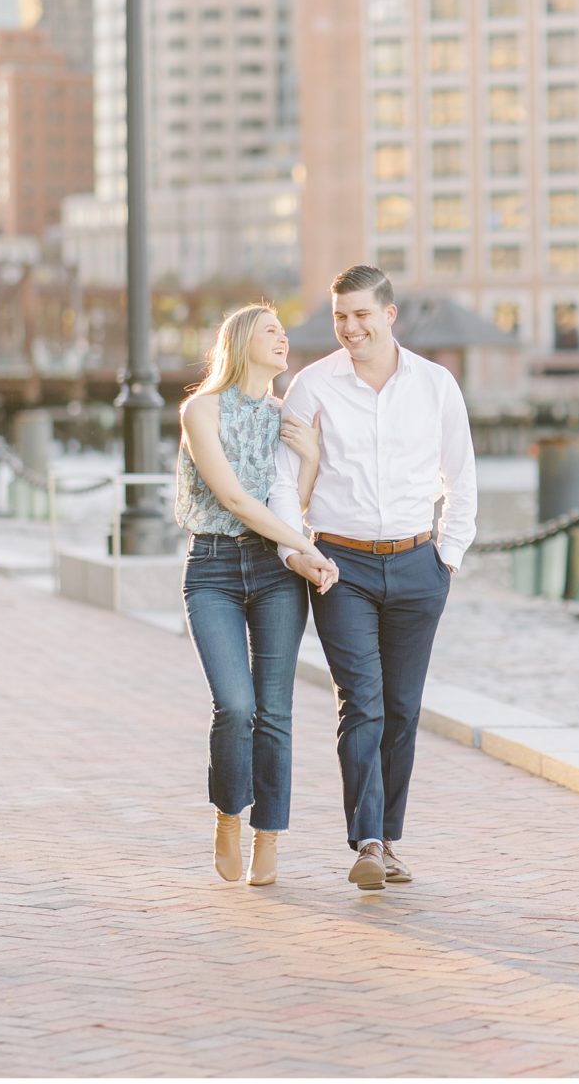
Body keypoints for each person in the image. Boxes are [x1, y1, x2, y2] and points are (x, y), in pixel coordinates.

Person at [268, 265, 477, 889]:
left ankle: (389, 838)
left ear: (389, 315)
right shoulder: (311, 386)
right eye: (340, 317)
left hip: (419, 564)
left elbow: (460, 477)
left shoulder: (436, 385)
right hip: (341, 565)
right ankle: (367, 842)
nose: (350, 328)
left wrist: (448, 558)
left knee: (402, 708)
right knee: (361, 703)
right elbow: (284, 478)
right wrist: (295, 550)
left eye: (361, 315)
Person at [176, 303, 339, 889]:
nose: (283, 339)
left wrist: (313, 460)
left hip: (274, 571)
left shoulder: (283, 416)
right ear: (241, 340)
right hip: (214, 568)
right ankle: (228, 815)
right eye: (271, 330)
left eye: (284, 332)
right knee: (235, 706)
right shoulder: (201, 409)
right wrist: (311, 550)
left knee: (274, 712)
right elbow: (236, 500)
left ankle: (268, 837)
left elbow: (283, 505)